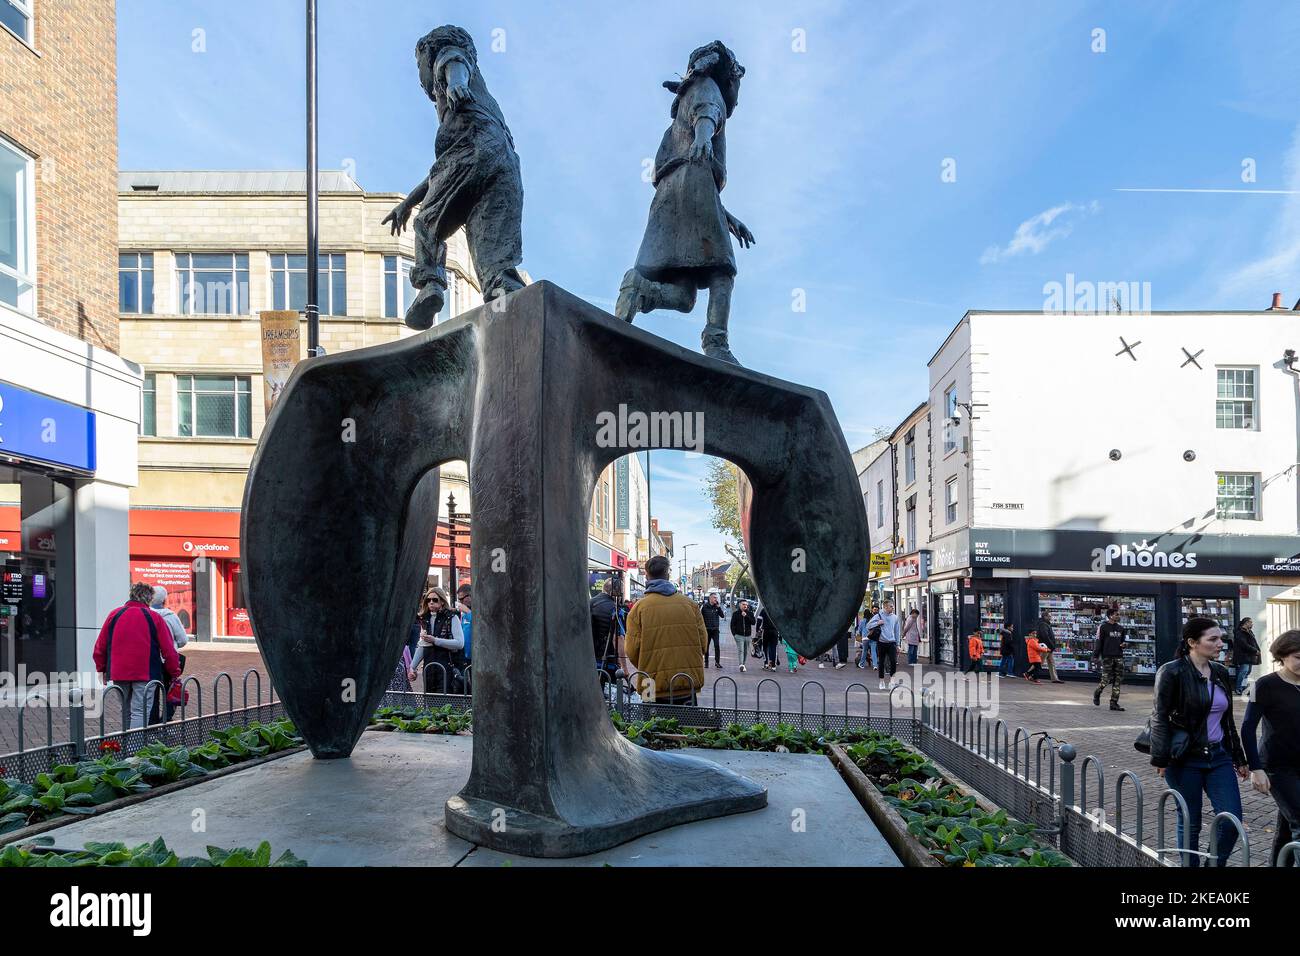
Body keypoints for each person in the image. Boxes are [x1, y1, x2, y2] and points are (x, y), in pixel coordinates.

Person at [615, 41, 754, 364]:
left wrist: (727, 218)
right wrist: (705, 137)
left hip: (670, 196)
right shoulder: (709, 88)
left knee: (685, 296)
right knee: (723, 271)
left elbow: (679, 165)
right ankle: (716, 341)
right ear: (728, 75)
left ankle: (641, 290)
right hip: (695, 182)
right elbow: (707, 114)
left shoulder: (679, 108)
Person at [381, 25, 525, 329]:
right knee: (495, 263)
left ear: (426, 54)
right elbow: (445, 172)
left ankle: (430, 285)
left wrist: (456, 82)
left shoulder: (447, 60)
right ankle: (517, 311)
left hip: (475, 149)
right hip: (504, 165)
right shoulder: (487, 103)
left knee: (427, 223)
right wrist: (407, 202)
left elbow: (454, 62)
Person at [1149, 617, 1249, 867]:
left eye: (1220, 638)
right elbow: (1159, 717)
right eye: (1212, 639)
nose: (1220, 644)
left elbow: (1227, 721)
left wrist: (1239, 757)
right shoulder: (1172, 671)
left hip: (1219, 757)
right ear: (1192, 642)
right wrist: (1161, 758)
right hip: (1184, 758)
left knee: (1231, 819)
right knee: (1190, 822)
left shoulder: (1220, 672)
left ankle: (1213, 864)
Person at [1241, 629, 1300, 866]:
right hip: (1278, 767)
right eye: (1298, 656)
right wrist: (1257, 769)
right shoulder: (1265, 685)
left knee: (1288, 827)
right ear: (1282, 656)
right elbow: (1247, 728)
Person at [92, 582, 182, 730]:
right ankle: (135, 749)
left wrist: (101, 669)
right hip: (146, 673)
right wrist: (174, 672)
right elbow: (169, 650)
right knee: (140, 711)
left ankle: (127, 745)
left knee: (126, 710)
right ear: (149, 599)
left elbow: (100, 647)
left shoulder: (114, 614)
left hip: (119, 672)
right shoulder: (154, 617)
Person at [625, 555, 705, 703]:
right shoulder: (691, 605)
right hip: (686, 681)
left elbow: (631, 650)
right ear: (668, 574)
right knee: (688, 725)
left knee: (653, 725)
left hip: (651, 683)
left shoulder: (638, 609)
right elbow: (703, 643)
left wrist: (648, 664)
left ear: (647, 576)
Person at [408, 587, 465, 693]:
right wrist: (412, 667)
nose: (431, 602)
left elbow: (459, 643)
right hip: (429, 668)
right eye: (428, 600)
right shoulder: (426, 619)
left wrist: (435, 640)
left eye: (435, 600)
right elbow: (423, 644)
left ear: (442, 601)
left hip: (448, 667)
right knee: (430, 702)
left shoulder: (451, 617)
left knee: (446, 703)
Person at [149, 586, 189, 721]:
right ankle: (166, 720)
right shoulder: (171, 616)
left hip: (151, 660)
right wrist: (174, 644)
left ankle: (152, 722)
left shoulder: (145, 614)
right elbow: (183, 639)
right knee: (170, 689)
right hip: (169, 660)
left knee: (152, 691)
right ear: (165, 600)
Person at [1093, 608, 1127, 710]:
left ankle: (1114, 703)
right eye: (1116, 614)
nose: (1118, 616)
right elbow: (1099, 642)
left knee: (1118, 680)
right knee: (1106, 680)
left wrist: (1124, 645)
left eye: (1118, 614)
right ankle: (1097, 692)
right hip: (1107, 657)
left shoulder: (1121, 628)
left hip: (1119, 657)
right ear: (1110, 615)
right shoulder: (1103, 627)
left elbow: (1123, 641)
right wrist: (1095, 655)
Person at [591, 579, 624, 683]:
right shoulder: (615, 609)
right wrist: (624, 667)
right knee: (611, 695)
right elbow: (617, 638)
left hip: (589, 660)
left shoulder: (589, 603)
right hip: (607, 661)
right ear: (616, 592)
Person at [869, 601, 900, 690]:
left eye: (893, 606)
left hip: (892, 642)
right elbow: (868, 626)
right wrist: (877, 623)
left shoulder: (895, 617)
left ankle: (892, 681)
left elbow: (897, 631)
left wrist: (898, 644)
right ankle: (881, 681)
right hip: (881, 642)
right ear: (885, 607)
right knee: (881, 662)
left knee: (893, 661)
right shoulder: (878, 616)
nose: (893, 608)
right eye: (891, 606)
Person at [1231, 617, 1260, 697]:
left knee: (1247, 672)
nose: (1252, 624)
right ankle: (1238, 688)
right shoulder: (1240, 632)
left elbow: (1253, 642)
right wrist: (1254, 650)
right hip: (1243, 656)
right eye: (1250, 622)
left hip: (1249, 655)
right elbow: (1244, 644)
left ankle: (1243, 688)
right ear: (1246, 623)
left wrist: (1256, 650)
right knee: (1243, 671)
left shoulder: (1249, 631)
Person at [1036, 611, 1063, 683]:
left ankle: (1054, 678)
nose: (1050, 617)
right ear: (1045, 617)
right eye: (1049, 616)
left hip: (1048, 647)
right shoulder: (1043, 624)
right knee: (1040, 662)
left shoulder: (1045, 624)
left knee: (1051, 662)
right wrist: (1051, 645)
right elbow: (1045, 636)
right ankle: (1032, 675)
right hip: (1046, 647)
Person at [729, 599, 755, 673]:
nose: (745, 606)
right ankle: (741, 664)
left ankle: (743, 665)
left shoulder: (750, 613)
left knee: (746, 651)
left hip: (748, 636)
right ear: (740, 605)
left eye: (746, 605)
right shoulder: (736, 614)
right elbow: (732, 625)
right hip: (739, 636)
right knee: (741, 650)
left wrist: (746, 616)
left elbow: (753, 622)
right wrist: (734, 634)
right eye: (743, 604)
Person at [700, 593, 724, 669]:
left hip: (715, 630)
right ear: (710, 598)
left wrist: (719, 607)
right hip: (707, 630)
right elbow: (700, 618)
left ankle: (717, 662)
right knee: (706, 646)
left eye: (716, 598)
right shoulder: (704, 607)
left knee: (717, 645)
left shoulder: (716, 607)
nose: (716, 599)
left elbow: (722, 616)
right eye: (714, 598)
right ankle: (706, 662)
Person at [759, 606, 781, 671]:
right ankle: (773, 666)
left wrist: (758, 629)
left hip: (766, 631)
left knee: (765, 648)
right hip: (775, 631)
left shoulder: (764, 609)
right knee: (773, 648)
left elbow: (759, 619)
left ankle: (765, 664)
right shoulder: (777, 609)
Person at [456, 582, 473, 665]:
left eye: (462, 599)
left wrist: (468, 611)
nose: (461, 602)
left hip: (476, 655)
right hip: (465, 655)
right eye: (459, 600)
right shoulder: (464, 613)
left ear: (470, 595)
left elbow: (482, 625)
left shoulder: (477, 608)